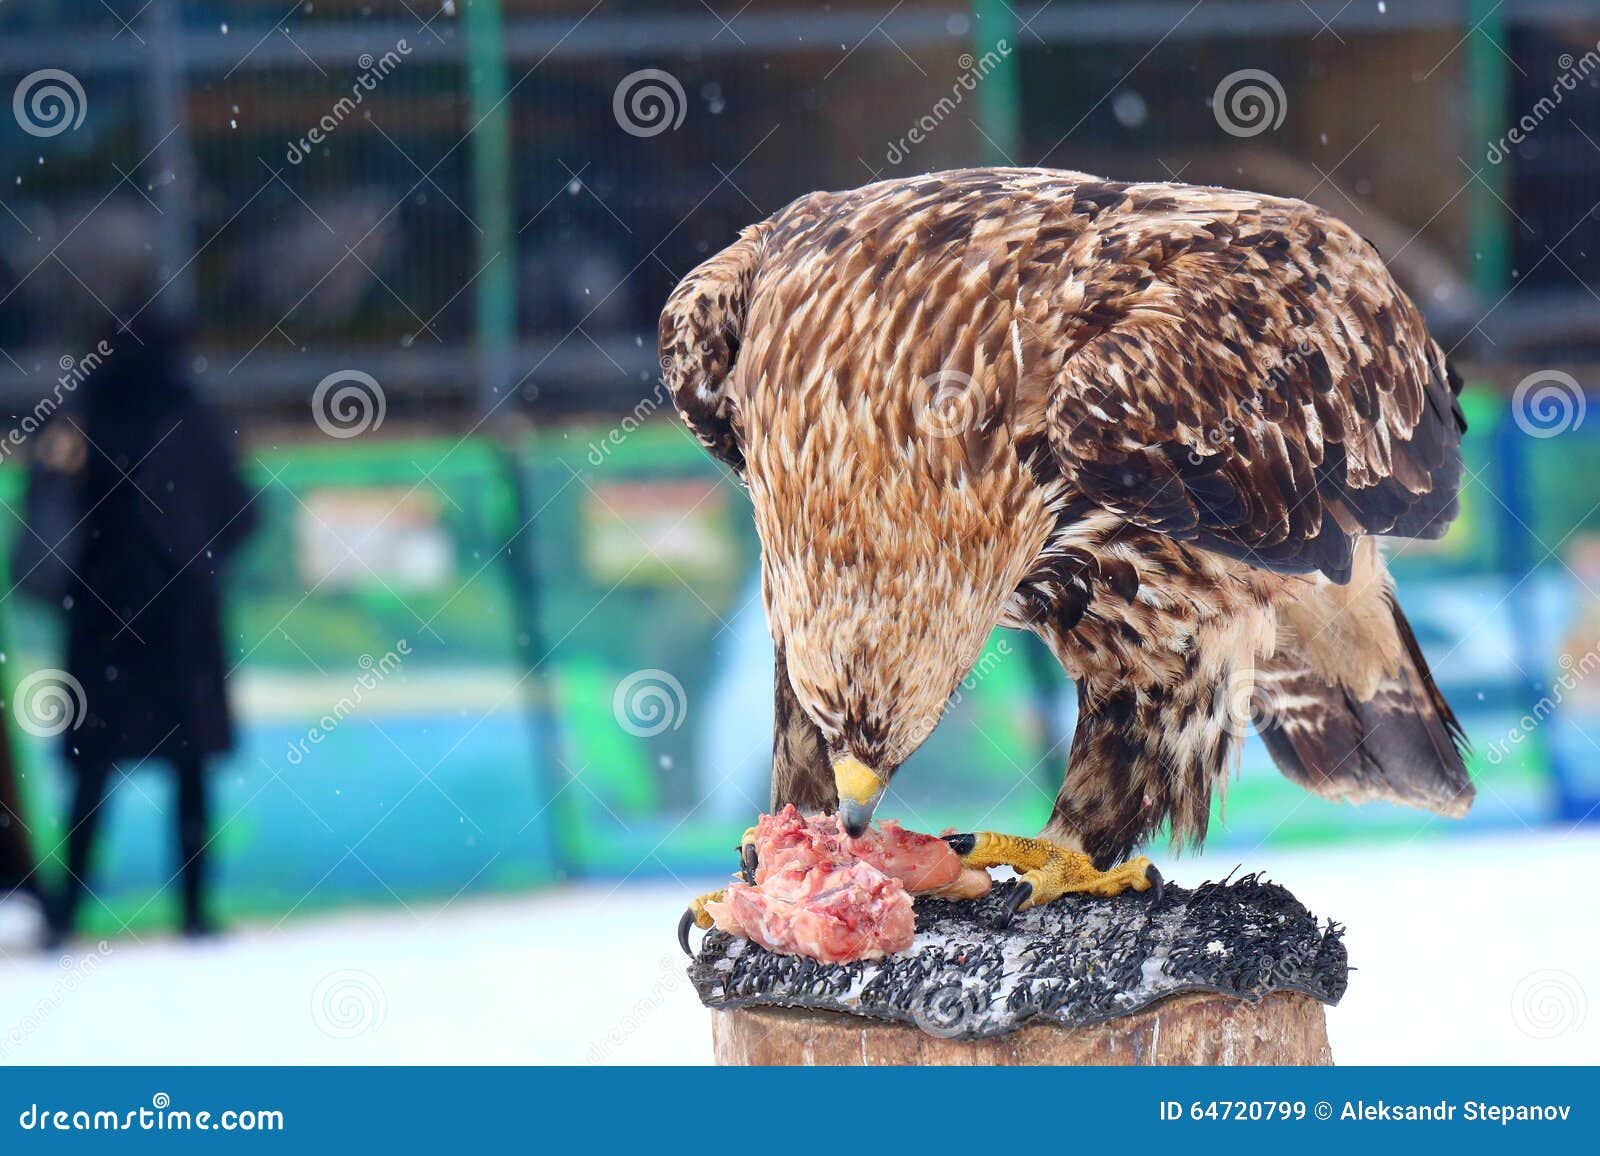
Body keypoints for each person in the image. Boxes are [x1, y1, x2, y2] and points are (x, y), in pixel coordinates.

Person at [29, 318, 256, 946]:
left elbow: (44, 524)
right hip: (182, 622)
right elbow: (241, 515)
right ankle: (193, 912)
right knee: (189, 771)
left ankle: (66, 916)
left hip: (100, 619)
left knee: (92, 772)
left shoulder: (80, 417)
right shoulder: (193, 418)